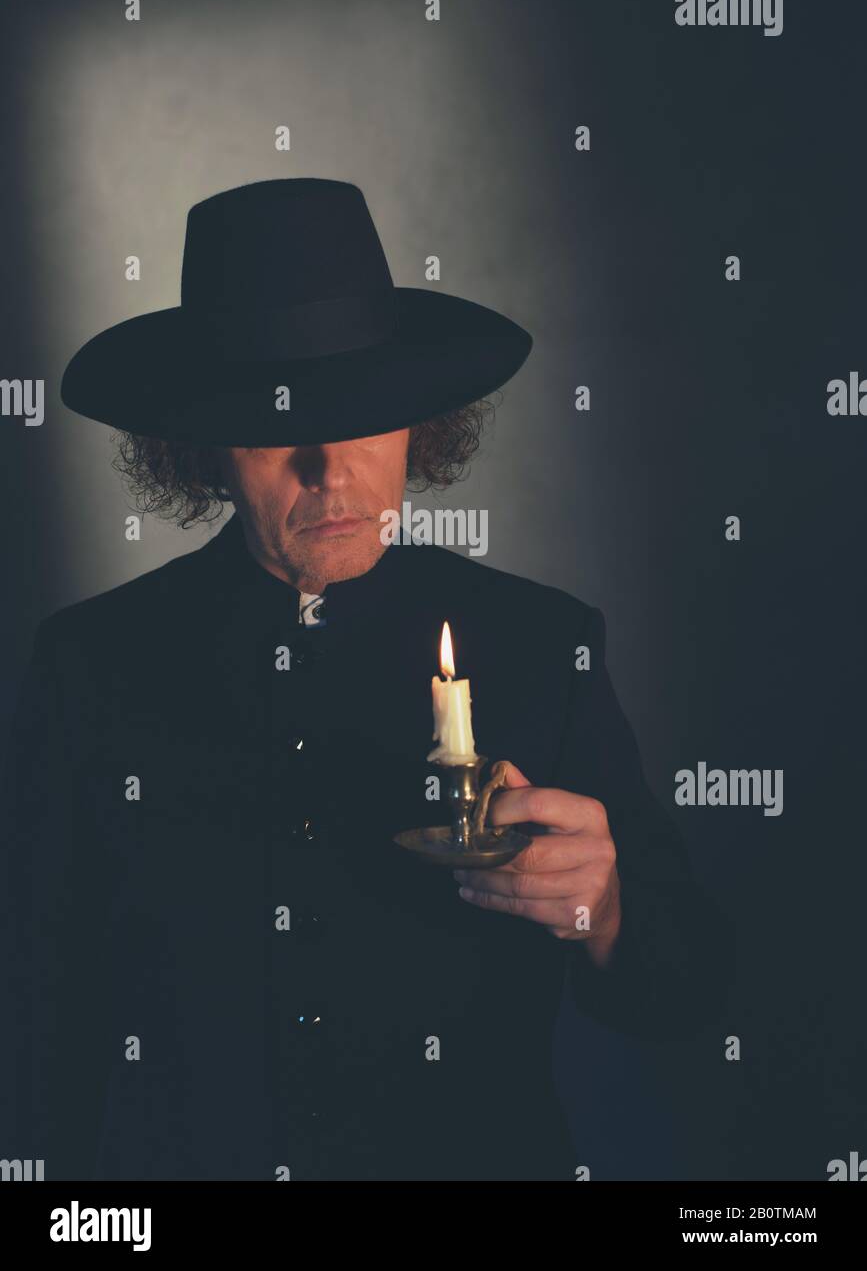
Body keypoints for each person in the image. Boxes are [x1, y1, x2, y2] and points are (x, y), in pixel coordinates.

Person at [2, 177, 732, 1181]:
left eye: (364, 417)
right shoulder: (88, 666)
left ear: (416, 427)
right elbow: (37, 1026)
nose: (329, 470)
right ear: (208, 448)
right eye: (275, 427)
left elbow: (689, 992)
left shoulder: (543, 641)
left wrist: (603, 913)